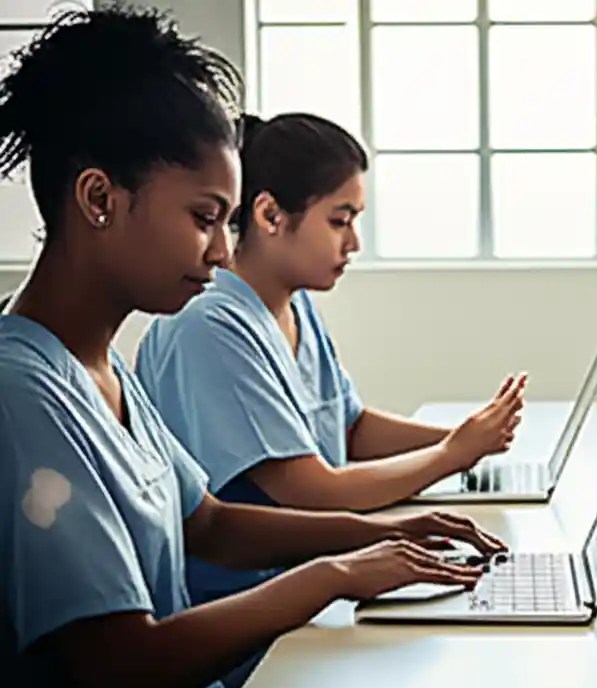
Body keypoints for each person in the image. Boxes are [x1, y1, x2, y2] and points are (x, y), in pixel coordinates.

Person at [0, 9, 502, 688]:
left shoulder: (99, 366)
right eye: (204, 218)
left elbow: (208, 522)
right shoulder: (24, 395)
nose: (221, 252)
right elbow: (119, 667)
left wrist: (386, 533)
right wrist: (331, 576)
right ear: (98, 199)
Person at [136, 111, 525, 603]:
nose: (354, 242)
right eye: (339, 221)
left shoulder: (293, 305)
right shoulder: (207, 327)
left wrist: (469, 438)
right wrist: (452, 455)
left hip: (312, 580)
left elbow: (349, 428)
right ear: (270, 215)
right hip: (246, 605)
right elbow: (311, 489)